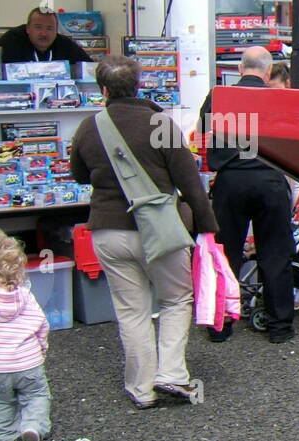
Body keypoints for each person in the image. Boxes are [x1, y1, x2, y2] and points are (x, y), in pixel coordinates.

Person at [69, 55, 218, 408]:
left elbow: (78, 174)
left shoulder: (90, 127)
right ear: (138, 85)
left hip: (108, 230)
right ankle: (171, 375)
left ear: (102, 89)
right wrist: (209, 227)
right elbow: (190, 182)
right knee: (176, 299)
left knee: (131, 310)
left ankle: (141, 389)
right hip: (161, 229)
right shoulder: (160, 124)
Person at [198, 46, 295, 343]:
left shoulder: (218, 95)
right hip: (270, 178)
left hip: (231, 180)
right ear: (268, 73)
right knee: (276, 253)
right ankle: (280, 327)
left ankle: (221, 324)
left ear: (240, 69)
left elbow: (202, 131)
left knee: (225, 252)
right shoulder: (278, 97)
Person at [0, 230, 50, 441]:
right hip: (28, 361)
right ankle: (32, 428)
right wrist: (42, 348)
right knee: (36, 396)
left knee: (1, 402)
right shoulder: (24, 295)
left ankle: (5, 438)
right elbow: (41, 324)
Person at [0, 8, 92, 67]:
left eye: (49, 28)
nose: (44, 33)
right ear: (27, 28)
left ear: (56, 31)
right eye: (38, 27)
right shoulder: (11, 40)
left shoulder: (65, 44)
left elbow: (90, 67)